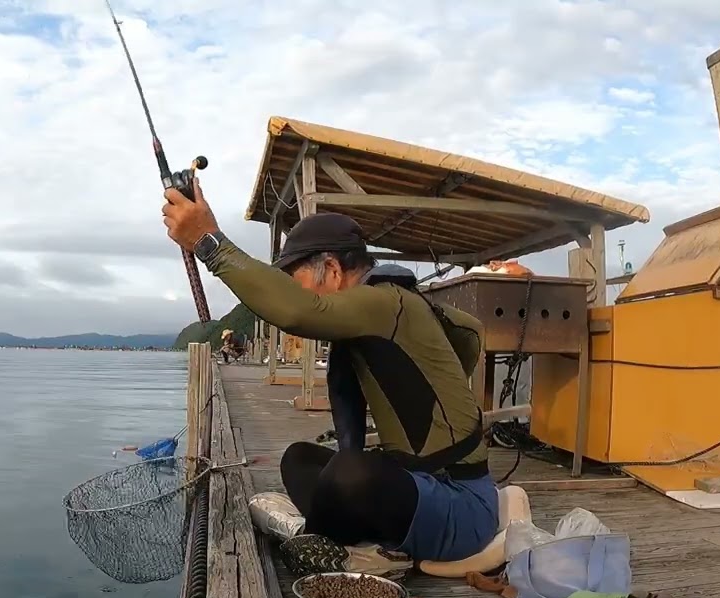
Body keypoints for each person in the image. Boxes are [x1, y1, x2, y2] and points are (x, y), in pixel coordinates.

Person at [160, 179, 496, 568]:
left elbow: (299, 312)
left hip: (460, 506)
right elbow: (472, 331)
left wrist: (208, 242)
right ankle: (343, 531)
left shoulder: (384, 302)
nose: (297, 293)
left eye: (298, 283)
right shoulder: (399, 303)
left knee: (350, 474)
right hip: (415, 486)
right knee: (299, 459)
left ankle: (322, 540)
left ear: (332, 269)